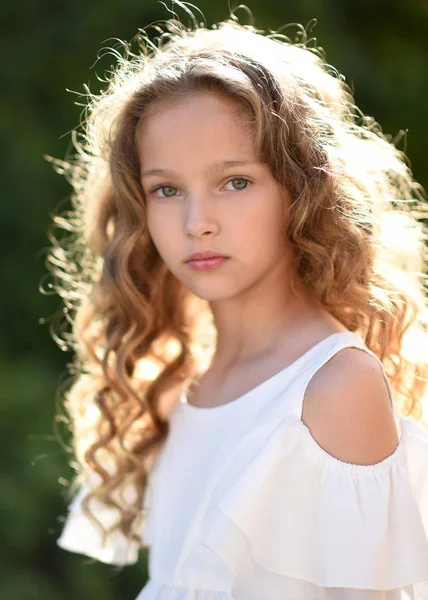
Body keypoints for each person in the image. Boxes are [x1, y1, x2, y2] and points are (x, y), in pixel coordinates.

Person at [46, 4, 428, 599]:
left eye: (235, 182)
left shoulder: (332, 387)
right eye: (167, 189)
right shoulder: (178, 383)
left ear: (301, 190)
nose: (198, 222)